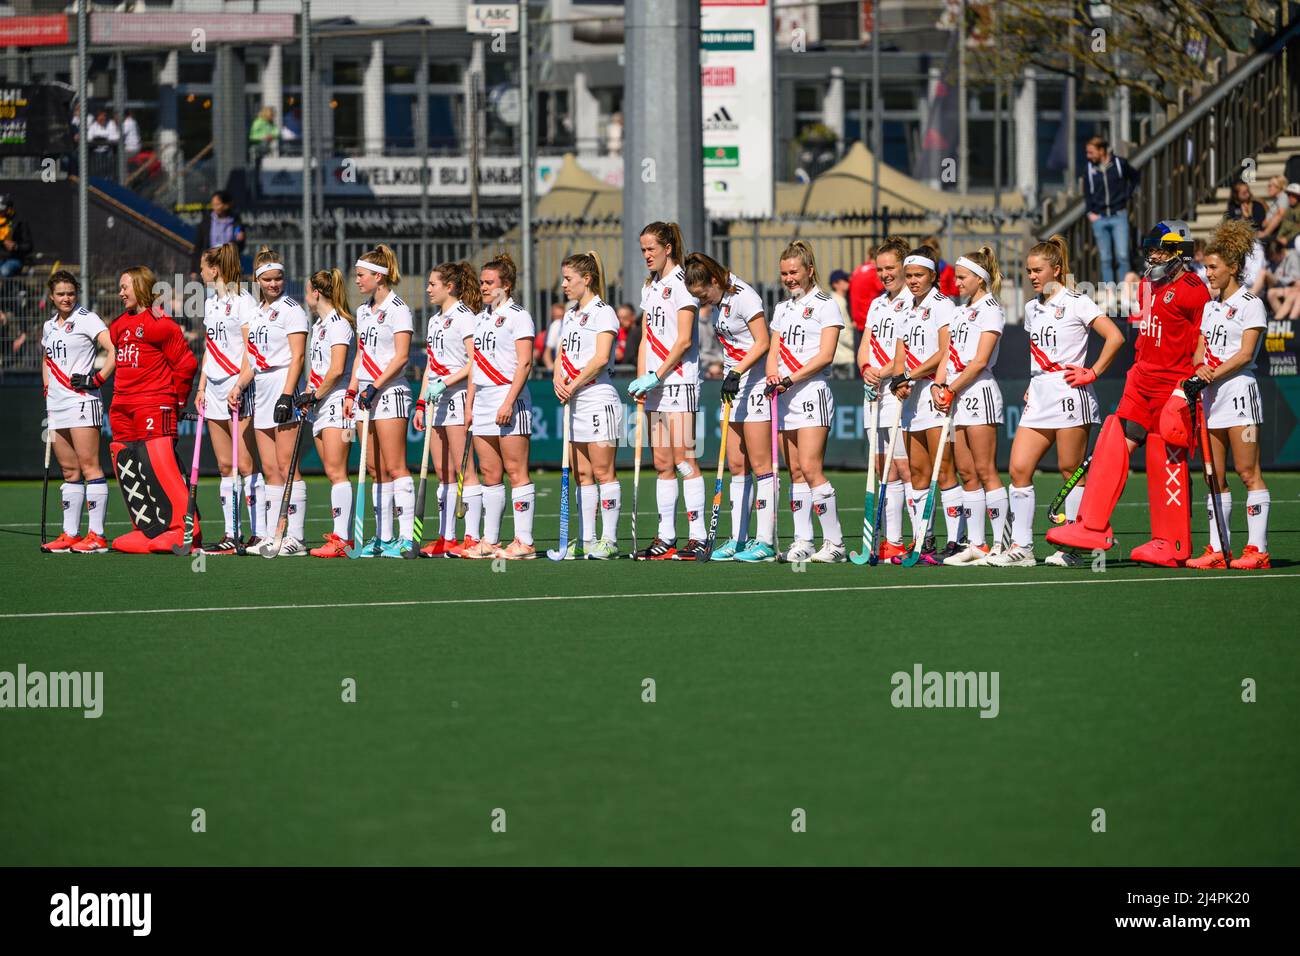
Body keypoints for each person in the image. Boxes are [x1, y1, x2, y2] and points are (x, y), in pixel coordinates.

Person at [1047, 221, 1207, 566]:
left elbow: (1201, 344)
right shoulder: (1148, 284)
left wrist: (1187, 390)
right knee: (1112, 444)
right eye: (1150, 250)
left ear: (1180, 253)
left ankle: (1173, 542)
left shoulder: (1196, 290)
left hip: (1172, 387)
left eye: (1160, 250)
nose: (1153, 256)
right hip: (1141, 382)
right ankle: (1091, 528)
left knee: (1168, 463)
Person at [987, 235, 1124, 567]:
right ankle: (1021, 548)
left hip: (1070, 395)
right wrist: (1035, 381)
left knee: (1070, 470)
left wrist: (1092, 372)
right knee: (1019, 468)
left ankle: (1075, 545)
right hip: (1041, 395)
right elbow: (1040, 353)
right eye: (1028, 271)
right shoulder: (1032, 307)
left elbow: (1115, 337)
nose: (1032, 276)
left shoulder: (1078, 301)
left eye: (1037, 270)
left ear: (1057, 270)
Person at [1186, 219, 1271, 570]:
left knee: (1247, 471)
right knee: (1214, 476)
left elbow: (1245, 355)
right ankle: (1217, 549)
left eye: (1213, 267)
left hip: (1239, 395)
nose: (1207, 273)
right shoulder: (1209, 307)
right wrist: (1199, 370)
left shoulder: (1252, 304)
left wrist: (1210, 374)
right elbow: (1199, 353)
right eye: (1206, 267)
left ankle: (1257, 550)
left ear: (1233, 267)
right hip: (1212, 398)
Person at [684, 252, 774, 562]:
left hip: (755, 383)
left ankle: (765, 541)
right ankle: (738, 539)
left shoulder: (744, 296)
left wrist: (737, 371)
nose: (703, 301)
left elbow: (764, 341)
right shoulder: (720, 303)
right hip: (732, 385)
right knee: (736, 464)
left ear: (713, 281)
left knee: (761, 465)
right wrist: (730, 373)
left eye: (702, 294)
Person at [106, 265, 200, 553]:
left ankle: (186, 530)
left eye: (125, 287)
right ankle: (148, 529)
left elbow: (186, 365)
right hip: (122, 406)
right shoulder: (118, 325)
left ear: (140, 286)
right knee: (127, 464)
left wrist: (177, 401)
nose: (120, 293)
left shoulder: (161, 323)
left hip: (153, 403)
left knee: (158, 465)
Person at [627, 221, 704, 560]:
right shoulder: (651, 287)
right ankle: (666, 536)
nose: (646, 255)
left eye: (651, 249)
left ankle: (699, 536)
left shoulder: (682, 284)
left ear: (668, 248)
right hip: (656, 383)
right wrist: (643, 377)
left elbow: (684, 339)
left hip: (680, 380)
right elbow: (646, 337)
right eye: (643, 250)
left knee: (684, 459)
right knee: (661, 461)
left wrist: (656, 375)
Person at [766, 240, 846, 563]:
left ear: (809, 270)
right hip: (785, 399)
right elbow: (773, 353)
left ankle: (836, 543)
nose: (789, 278)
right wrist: (773, 375)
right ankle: (804, 540)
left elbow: (825, 356)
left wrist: (789, 379)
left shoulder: (827, 305)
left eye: (794, 272)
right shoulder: (782, 309)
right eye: (784, 273)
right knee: (795, 471)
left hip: (811, 393)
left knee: (812, 468)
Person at [229, 247, 310, 556]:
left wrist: (287, 395)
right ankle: (276, 533)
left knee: (288, 464)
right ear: (258, 280)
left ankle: (297, 538)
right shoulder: (256, 313)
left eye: (279, 278)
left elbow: (298, 356)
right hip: (260, 387)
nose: (275, 284)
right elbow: (253, 359)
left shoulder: (292, 310)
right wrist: (239, 385)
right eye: (268, 279)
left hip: (281, 384)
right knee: (271, 468)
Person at [343, 244, 415, 557]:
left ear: (378, 276)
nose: (357, 281)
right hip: (365, 394)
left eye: (361, 275)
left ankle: (407, 538)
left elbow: (401, 357)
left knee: (396, 465)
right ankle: (383, 536)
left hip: (390, 393)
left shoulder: (399, 309)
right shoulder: (362, 310)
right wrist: (352, 389)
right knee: (374, 467)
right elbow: (361, 353)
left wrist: (376, 386)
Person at [937, 248, 1008, 565]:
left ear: (979, 278)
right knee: (967, 472)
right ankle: (976, 544)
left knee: (985, 470)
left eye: (963, 277)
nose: (957, 282)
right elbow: (947, 354)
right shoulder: (958, 310)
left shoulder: (991, 309)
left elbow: (979, 361)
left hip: (978, 392)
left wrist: (951, 388)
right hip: (957, 394)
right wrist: (941, 387)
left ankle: (1002, 544)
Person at [889, 244, 958, 564]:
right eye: (909, 276)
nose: (913, 281)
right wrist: (900, 381)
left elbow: (944, 351)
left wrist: (908, 375)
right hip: (912, 398)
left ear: (933, 276)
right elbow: (900, 352)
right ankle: (923, 538)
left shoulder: (943, 305)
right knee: (917, 470)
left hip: (933, 393)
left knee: (943, 469)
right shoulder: (905, 309)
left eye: (919, 275)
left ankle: (956, 540)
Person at [554, 251, 623, 559]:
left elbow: (600, 359)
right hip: (575, 400)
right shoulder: (570, 314)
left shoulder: (603, 312)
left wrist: (573, 384)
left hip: (597, 397)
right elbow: (562, 353)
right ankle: (587, 538)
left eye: (569, 279)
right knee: (582, 474)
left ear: (587, 279)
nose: (564, 284)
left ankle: (608, 540)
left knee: (602, 471)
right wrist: (558, 378)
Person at [39, 271, 114, 553]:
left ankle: (97, 536)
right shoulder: (49, 327)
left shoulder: (87, 318)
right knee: (69, 470)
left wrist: (97, 379)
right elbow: (46, 360)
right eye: (60, 294)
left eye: (70, 292)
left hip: (82, 401)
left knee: (89, 467)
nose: (66, 298)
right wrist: (47, 389)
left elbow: (113, 351)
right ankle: (70, 533)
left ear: (76, 293)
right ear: (52, 297)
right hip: (57, 405)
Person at [193, 242, 259, 554]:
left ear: (215, 269)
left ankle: (258, 533)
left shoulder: (243, 301)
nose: (199, 272)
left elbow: (251, 349)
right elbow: (210, 348)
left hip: (237, 387)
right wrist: (202, 385)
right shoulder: (210, 302)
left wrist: (240, 386)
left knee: (244, 463)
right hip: (215, 387)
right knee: (224, 464)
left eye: (204, 267)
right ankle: (231, 533)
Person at [470, 253, 537, 559]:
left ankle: (524, 542)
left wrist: (509, 402)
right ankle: (491, 540)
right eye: (482, 282)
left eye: (489, 282)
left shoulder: (518, 315)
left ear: (506, 285)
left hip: (509, 398)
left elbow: (524, 363)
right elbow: (475, 366)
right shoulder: (480, 317)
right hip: (483, 399)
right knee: (489, 472)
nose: (483, 287)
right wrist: (471, 405)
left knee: (515, 471)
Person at [414, 261, 481, 558]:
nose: (428, 289)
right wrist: (420, 401)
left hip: (457, 396)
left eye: (433, 284)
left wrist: (446, 383)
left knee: (464, 469)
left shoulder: (465, 317)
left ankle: (473, 536)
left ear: (449, 287)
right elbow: (430, 364)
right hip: (435, 402)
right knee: (443, 472)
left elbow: (474, 362)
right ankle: (447, 536)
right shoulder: (434, 320)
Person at [857, 235, 914, 560]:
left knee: (906, 468)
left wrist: (886, 372)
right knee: (885, 469)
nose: (884, 274)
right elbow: (866, 341)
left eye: (890, 268)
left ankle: (920, 539)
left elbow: (908, 353)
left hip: (898, 391)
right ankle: (892, 540)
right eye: (880, 269)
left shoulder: (913, 301)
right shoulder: (879, 303)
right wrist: (866, 367)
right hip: (874, 392)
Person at [300, 269, 357, 558]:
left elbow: (336, 370)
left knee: (337, 472)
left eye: (307, 291)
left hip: (338, 404)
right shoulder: (320, 325)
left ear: (316, 293)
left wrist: (316, 394)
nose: (305, 296)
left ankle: (342, 539)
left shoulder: (339, 324)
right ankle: (339, 537)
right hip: (322, 405)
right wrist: (310, 395)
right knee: (331, 472)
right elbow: (319, 369)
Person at [1084, 135, 1141, 285]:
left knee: (1122, 255)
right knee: (1105, 258)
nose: (1088, 156)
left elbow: (1135, 177)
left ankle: (1125, 289)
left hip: (1118, 215)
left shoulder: (1119, 164)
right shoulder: (1089, 168)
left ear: (1101, 150)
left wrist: (1126, 195)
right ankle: (1109, 290)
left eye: (1091, 152)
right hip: (1099, 218)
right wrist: (1091, 212)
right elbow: (1087, 193)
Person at [191, 191, 247, 277]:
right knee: (210, 289)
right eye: (213, 204)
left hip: (228, 265)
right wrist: (194, 269)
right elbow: (198, 246)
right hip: (210, 264)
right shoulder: (206, 221)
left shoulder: (236, 221)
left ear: (226, 205)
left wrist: (240, 240)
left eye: (218, 204)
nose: (214, 207)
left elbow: (240, 246)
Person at [848, 255, 884, 353]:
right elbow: (885, 290)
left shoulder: (857, 270)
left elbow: (849, 292)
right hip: (869, 320)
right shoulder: (874, 271)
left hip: (857, 319)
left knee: (860, 355)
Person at [0, 195, 33, 277]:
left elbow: (29, 246)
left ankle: (16, 289)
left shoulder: (20, 223)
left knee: (4, 271)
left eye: (2, 211)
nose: (0, 213)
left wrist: (16, 246)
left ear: (9, 209)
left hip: (15, 259)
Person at [1258, 174, 1290, 240]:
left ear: (1279, 187)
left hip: (1274, 235)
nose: (1268, 188)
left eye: (1270, 186)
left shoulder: (1283, 196)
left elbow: (1280, 215)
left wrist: (1265, 233)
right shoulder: (1277, 199)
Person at [542, 301, 565, 373]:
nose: (560, 319)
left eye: (562, 316)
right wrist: (553, 369)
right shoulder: (555, 325)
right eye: (557, 317)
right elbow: (546, 353)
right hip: (560, 370)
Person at [1276, 183, 1300, 248]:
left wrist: (1287, 238)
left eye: (1294, 195)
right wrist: (1279, 237)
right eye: (1289, 195)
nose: (1290, 197)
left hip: (1294, 240)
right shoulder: (1289, 208)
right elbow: (1284, 226)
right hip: (1283, 239)